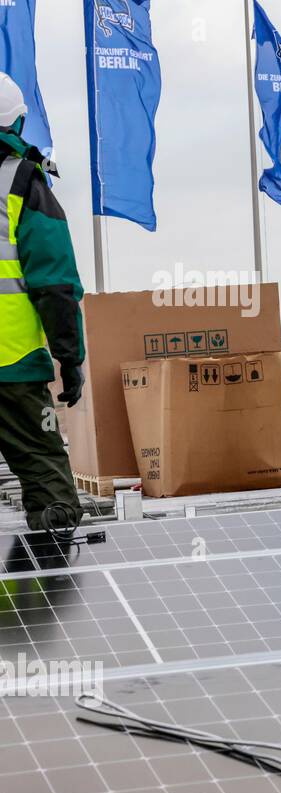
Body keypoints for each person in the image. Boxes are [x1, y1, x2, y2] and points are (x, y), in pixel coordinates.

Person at [0, 74, 85, 532]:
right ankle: (46, 594)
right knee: (46, 481)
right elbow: (54, 283)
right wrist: (69, 359)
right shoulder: (21, 180)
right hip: (12, 365)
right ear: (15, 121)